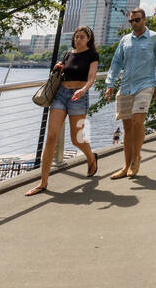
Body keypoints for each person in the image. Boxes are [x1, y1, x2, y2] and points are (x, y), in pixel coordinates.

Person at [26, 26, 100, 195]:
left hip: (79, 97)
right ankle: (43, 182)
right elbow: (61, 72)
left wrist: (84, 89)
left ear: (88, 39)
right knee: (51, 137)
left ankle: (91, 157)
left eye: (81, 37)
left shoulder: (92, 55)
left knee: (77, 139)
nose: (78, 39)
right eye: (76, 37)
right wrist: (59, 67)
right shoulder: (68, 54)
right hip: (60, 95)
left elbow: (91, 78)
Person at [105, 7, 156, 179]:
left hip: (145, 85)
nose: (134, 23)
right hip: (126, 86)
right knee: (127, 127)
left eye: (137, 20)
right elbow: (116, 62)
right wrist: (109, 83)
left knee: (137, 121)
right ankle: (126, 166)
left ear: (145, 20)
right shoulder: (125, 40)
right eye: (131, 21)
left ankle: (136, 158)